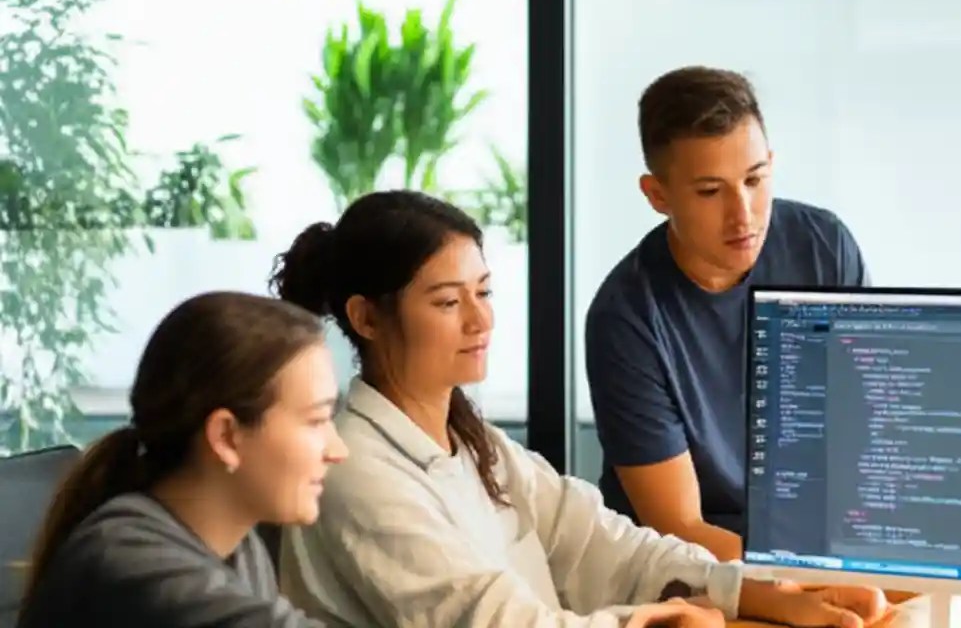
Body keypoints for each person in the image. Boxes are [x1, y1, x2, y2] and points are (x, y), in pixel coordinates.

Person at [270, 189, 890, 628]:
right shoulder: (356, 472)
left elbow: (595, 537)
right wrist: (658, 622)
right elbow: (491, 621)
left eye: (483, 292)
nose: (481, 319)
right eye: (446, 302)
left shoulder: (466, 435)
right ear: (366, 318)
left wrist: (756, 590)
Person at [585, 65, 871, 562]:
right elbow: (679, 526)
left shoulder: (824, 247)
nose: (744, 215)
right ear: (657, 195)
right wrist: (808, 582)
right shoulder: (626, 317)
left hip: (816, 546)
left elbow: (865, 429)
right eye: (710, 192)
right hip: (694, 570)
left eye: (756, 180)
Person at [17, 291, 348, 628]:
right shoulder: (132, 561)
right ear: (226, 436)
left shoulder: (240, 549)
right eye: (317, 420)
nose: (338, 450)